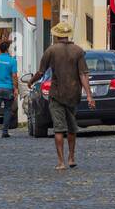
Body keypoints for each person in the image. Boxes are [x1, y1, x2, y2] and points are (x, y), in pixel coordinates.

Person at [28, 21, 93, 170]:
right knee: (72, 128)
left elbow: (40, 72)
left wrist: (31, 81)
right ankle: (71, 157)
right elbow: (83, 74)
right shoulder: (78, 51)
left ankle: (61, 162)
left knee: (58, 129)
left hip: (56, 94)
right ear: (68, 34)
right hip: (73, 94)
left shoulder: (51, 51)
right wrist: (89, 95)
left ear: (56, 35)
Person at [0, 39, 19, 138]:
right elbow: (14, 76)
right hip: (8, 88)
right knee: (7, 110)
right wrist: (16, 88)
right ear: (7, 49)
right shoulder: (12, 61)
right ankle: (5, 132)